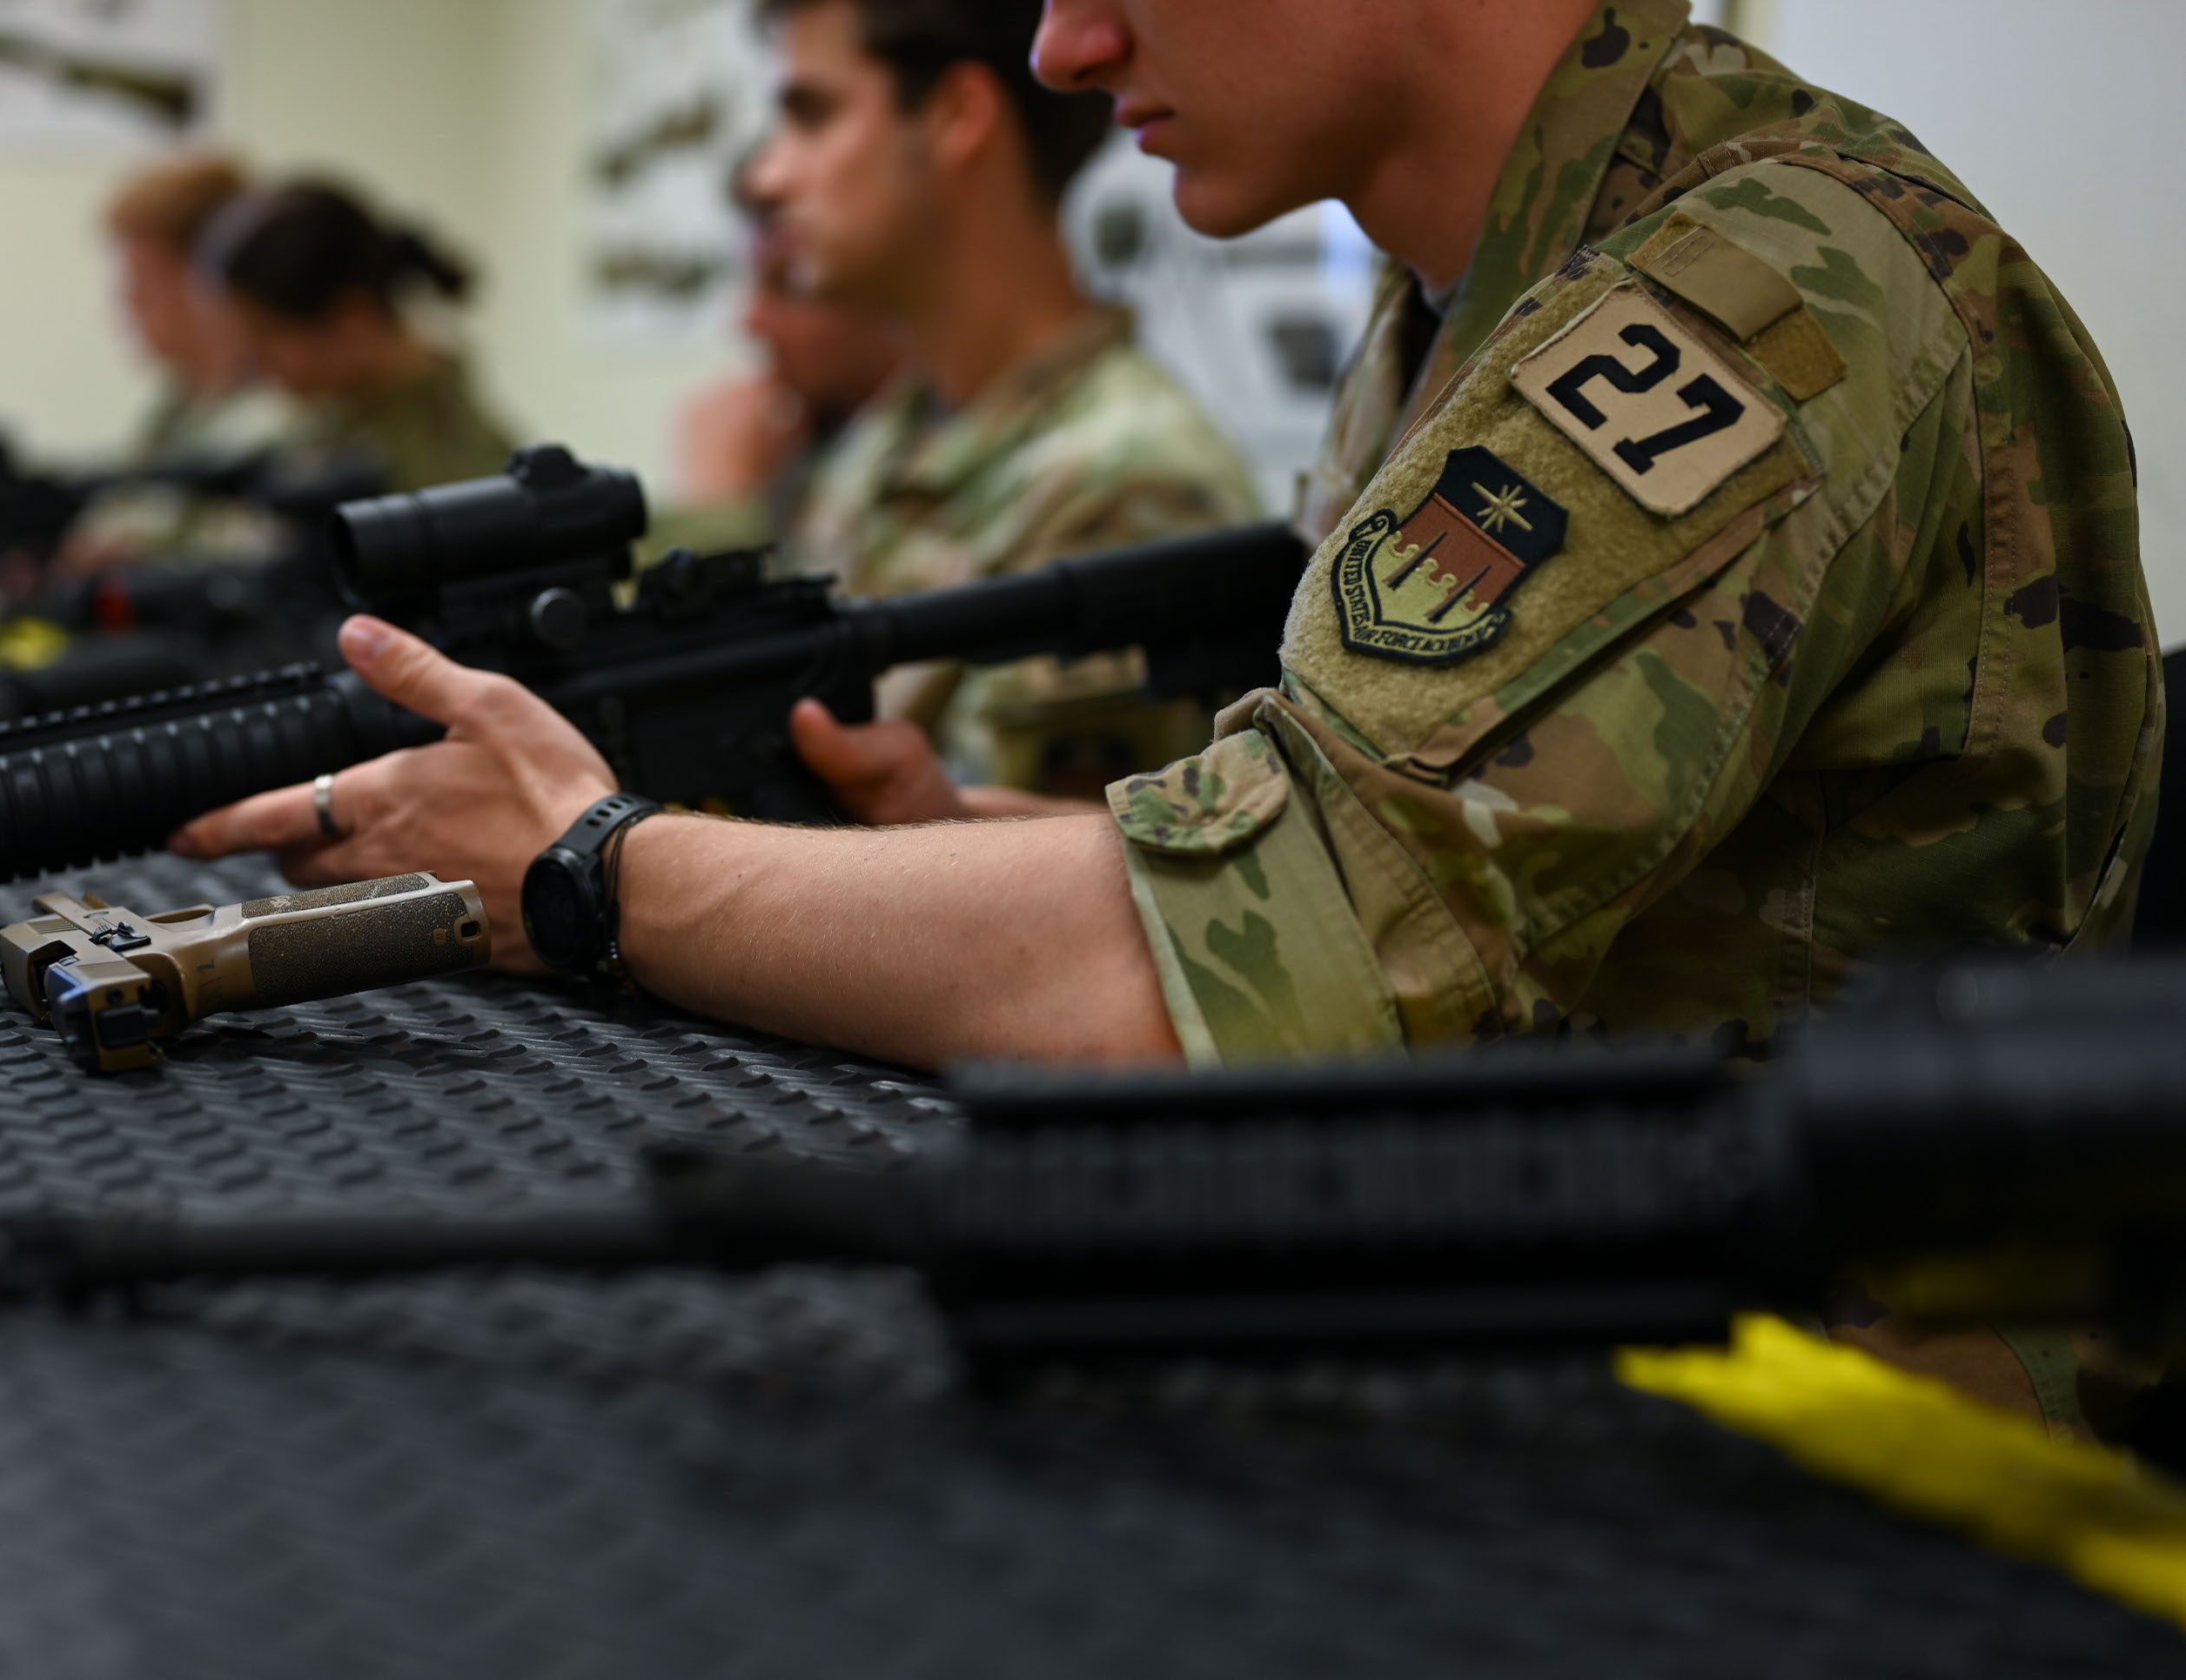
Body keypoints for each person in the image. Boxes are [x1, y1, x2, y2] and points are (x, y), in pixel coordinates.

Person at [174, 2, 2158, 1430]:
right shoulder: (1477, 283)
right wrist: (957, 848)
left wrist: (591, 865)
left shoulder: (1748, 291)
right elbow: (1346, 848)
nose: (1058, 47)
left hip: (1824, 1431)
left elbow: (1219, 982)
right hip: (1543, 1286)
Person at [746, 0, 1261, 803]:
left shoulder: (1126, 487)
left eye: (814, 115)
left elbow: (1045, 905)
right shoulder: (888, 440)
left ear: (958, 115)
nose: (768, 176)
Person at [51, 150, 286, 581]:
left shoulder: (287, 410)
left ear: (210, 279)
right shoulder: (177, 408)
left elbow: (270, 551)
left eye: (142, 285)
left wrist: (143, 547)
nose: (125, 307)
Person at [198, 180, 518, 493]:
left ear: (352, 320)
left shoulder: (448, 472)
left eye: (264, 338)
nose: (245, 363)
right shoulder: (343, 419)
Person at [654, 174, 906, 558]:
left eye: (789, 286)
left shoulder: (932, 465)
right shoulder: (793, 453)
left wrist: (722, 511)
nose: (751, 318)